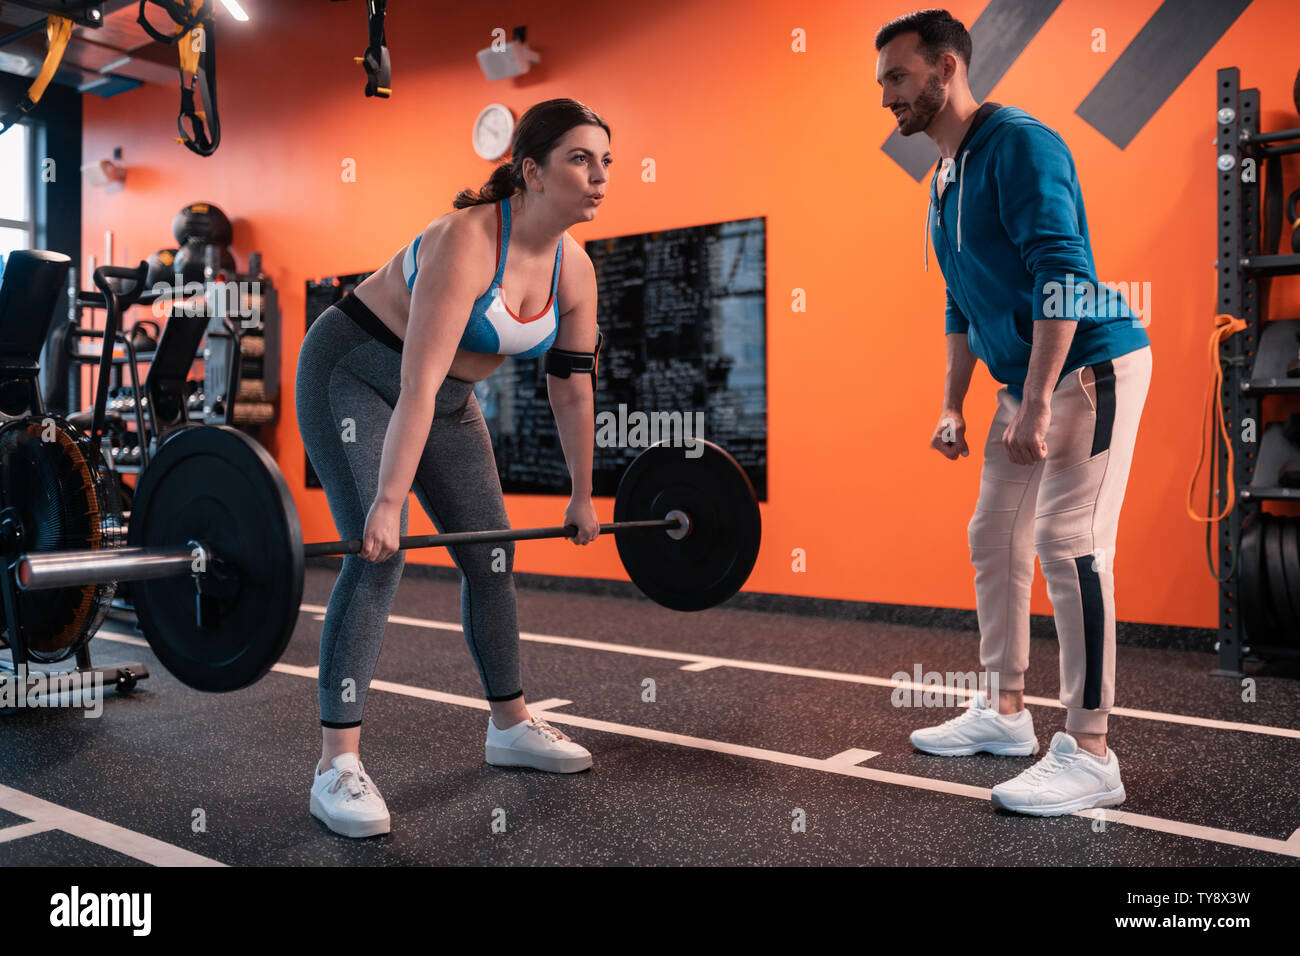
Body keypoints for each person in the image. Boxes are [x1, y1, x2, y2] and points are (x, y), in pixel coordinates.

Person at [294, 98, 613, 837]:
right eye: (579, 159)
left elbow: (571, 390)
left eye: (606, 162)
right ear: (531, 171)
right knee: (379, 558)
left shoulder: (576, 271)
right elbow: (414, 382)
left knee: (493, 555)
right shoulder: (467, 242)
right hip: (354, 374)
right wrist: (385, 503)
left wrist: (582, 495)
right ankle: (335, 765)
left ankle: (510, 725)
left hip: (448, 400)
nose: (599, 177)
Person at [875, 11, 1153, 815]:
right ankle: (1003, 713)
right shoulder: (942, 178)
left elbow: (1062, 273)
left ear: (947, 67)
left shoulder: (1021, 145)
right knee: (993, 537)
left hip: (1091, 366)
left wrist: (1036, 403)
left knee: (1070, 546)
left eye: (897, 77)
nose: (886, 97)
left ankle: (1093, 752)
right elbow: (960, 304)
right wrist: (952, 405)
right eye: (884, 82)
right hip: (1020, 383)